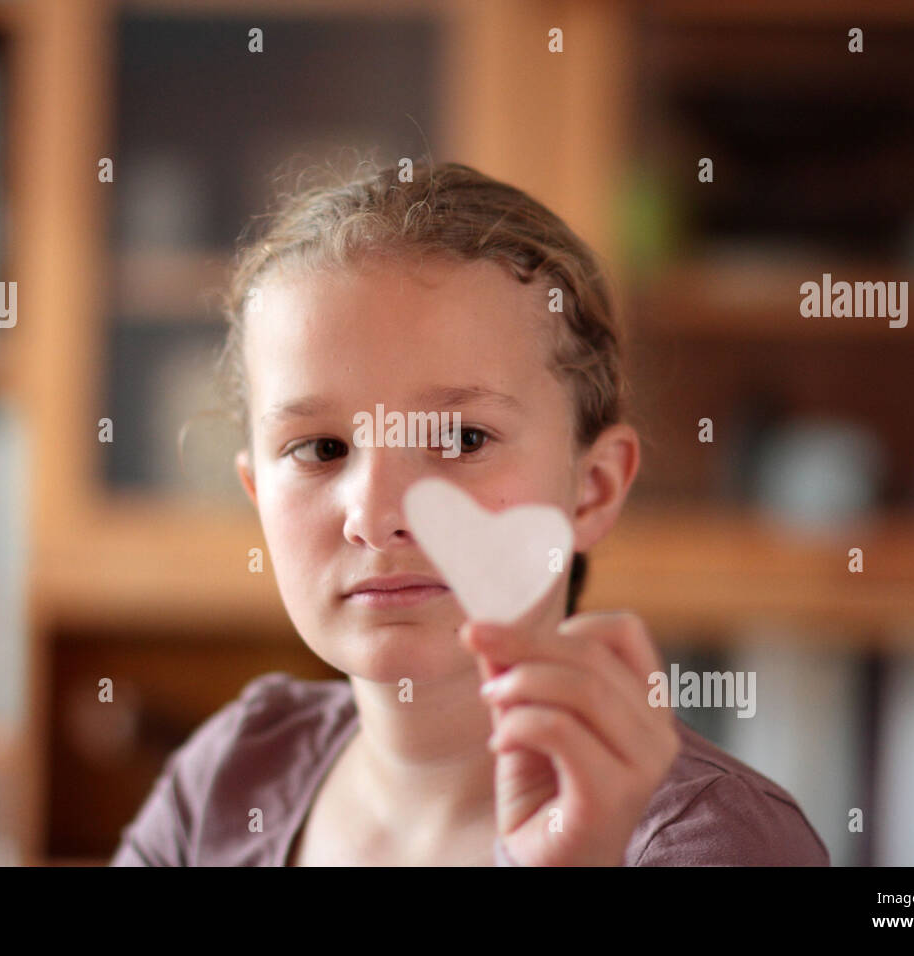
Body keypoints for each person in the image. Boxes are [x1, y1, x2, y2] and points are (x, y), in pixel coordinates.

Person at [111, 159, 829, 866]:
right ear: (257, 495)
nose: (376, 514)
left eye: (461, 439)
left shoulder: (721, 846)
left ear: (595, 488)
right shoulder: (226, 780)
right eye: (321, 447)